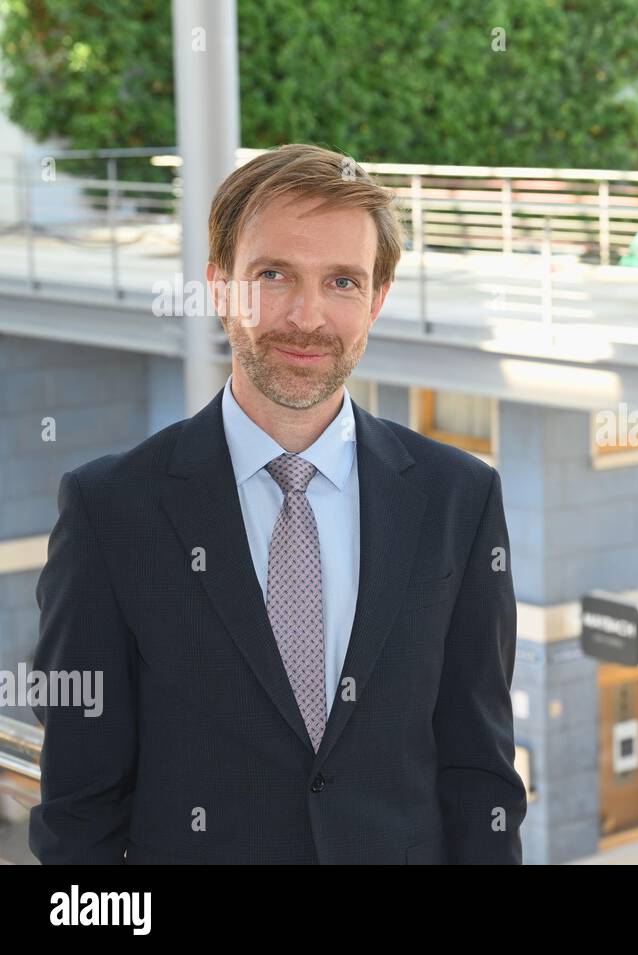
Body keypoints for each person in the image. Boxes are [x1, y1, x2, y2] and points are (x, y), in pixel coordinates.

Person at [31, 143, 526, 864]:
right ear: (219, 286)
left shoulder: (460, 497)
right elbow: (80, 812)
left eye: (343, 282)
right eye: (273, 275)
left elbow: (480, 774)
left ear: (377, 300)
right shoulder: (111, 510)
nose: (307, 315)